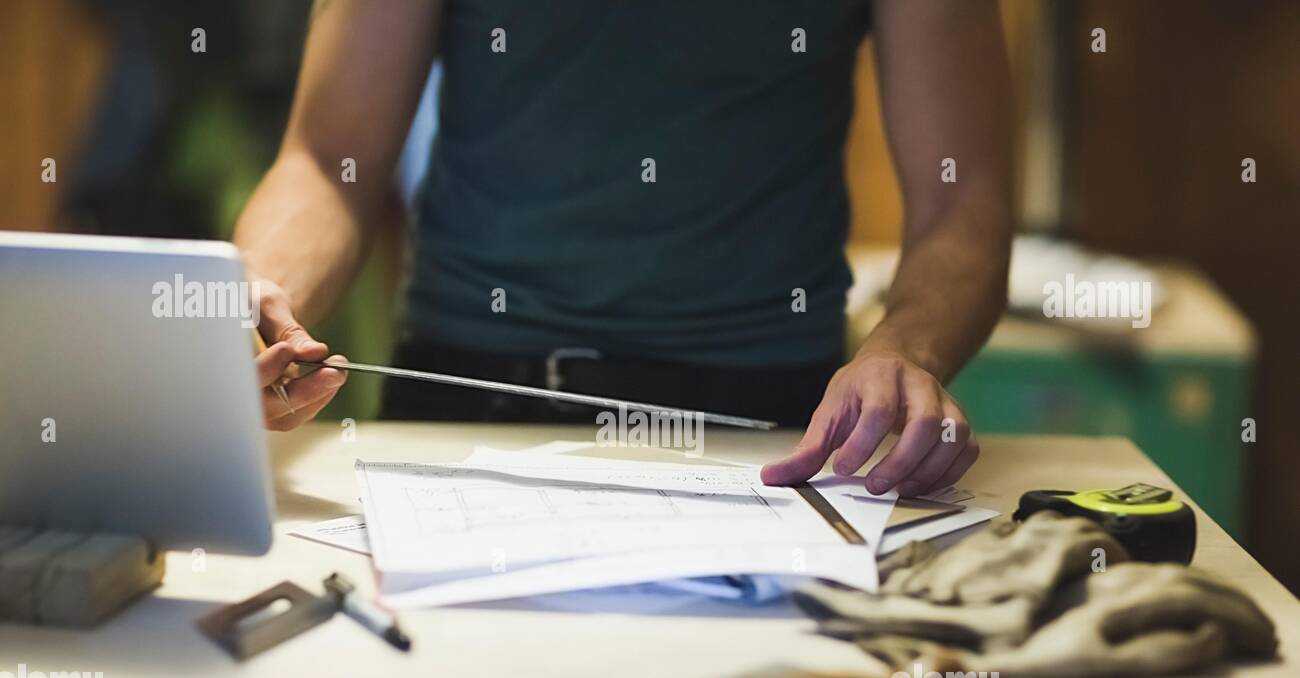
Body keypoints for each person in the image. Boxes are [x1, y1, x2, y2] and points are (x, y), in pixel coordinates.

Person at [235, 0, 1011, 496]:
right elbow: (328, 159)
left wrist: (908, 350)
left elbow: (963, 196)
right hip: (465, 396)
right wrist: (255, 299)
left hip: (775, 427)